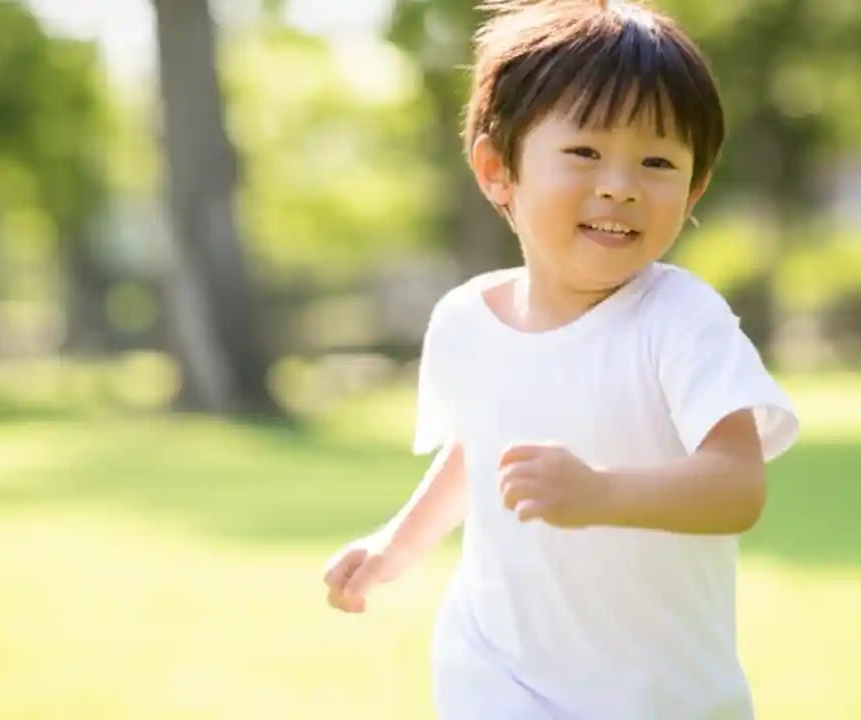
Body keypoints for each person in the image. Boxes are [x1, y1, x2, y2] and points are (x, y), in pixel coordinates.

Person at [324, 1, 799, 717]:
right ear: (497, 169)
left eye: (659, 161)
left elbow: (738, 486)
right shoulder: (464, 323)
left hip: (655, 695)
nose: (620, 184)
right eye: (584, 152)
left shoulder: (680, 320)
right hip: (496, 670)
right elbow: (479, 456)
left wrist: (601, 493)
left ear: (695, 187)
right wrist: (396, 545)